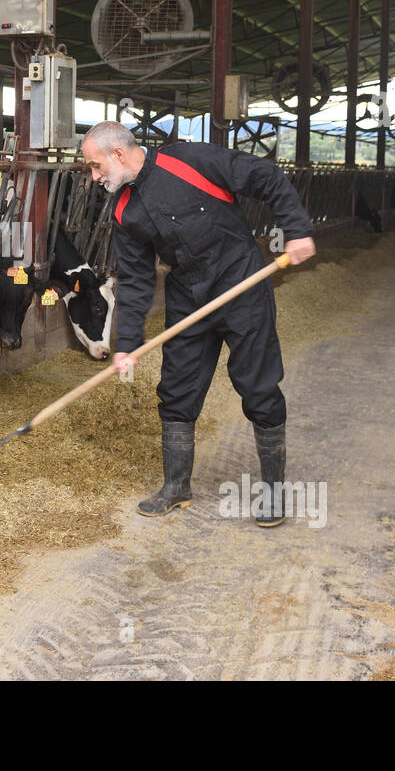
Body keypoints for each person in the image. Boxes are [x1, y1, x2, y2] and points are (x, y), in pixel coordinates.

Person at [80, 121, 316, 526]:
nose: (94, 176)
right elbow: (136, 281)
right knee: (177, 388)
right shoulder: (124, 210)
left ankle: (274, 493)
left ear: (118, 153)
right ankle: (176, 487)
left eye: (95, 165)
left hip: (242, 282)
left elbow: (266, 177)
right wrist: (128, 343)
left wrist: (296, 231)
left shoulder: (190, 160)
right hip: (188, 296)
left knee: (257, 385)